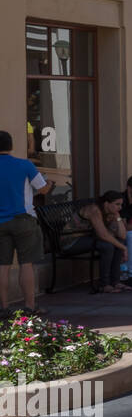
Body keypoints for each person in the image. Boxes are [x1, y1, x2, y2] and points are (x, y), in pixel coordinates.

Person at [0, 130, 52, 313]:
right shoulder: (24, 165)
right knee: (26, 263)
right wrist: (51, 183)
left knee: (3, 265)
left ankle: (4, 307)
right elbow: (43, 189)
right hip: (23, 219)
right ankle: (29, 306)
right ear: (11, 146)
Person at [67, 191, 129, 294]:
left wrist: (118, 216)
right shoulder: (94, 210)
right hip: (71, 241)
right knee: (107, 246)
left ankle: (116, 282)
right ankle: (104, 284)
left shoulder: (109, 212)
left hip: (87, 238)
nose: (120, 207)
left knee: (118, 242)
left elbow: (122, 235)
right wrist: (124, 248)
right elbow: (103, 235)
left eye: (121, 205)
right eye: (117, 204)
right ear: (106, 204)